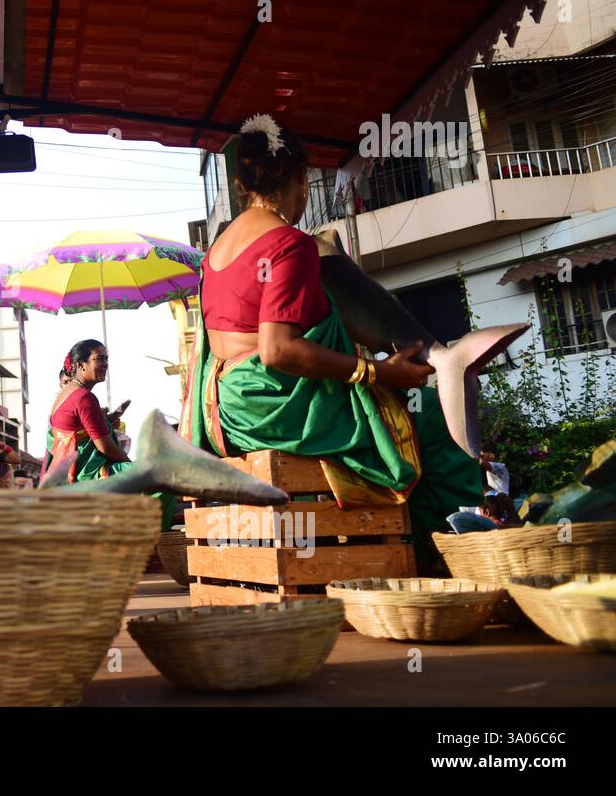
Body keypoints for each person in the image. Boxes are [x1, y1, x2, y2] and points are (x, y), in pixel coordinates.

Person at [180, 114, 482, 563]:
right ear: (300, 178)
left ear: (243, 183)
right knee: (431, 429)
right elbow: (278, 349)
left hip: (226, 409)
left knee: (394, 419)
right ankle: (419, 559)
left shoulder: (216, 251)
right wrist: (378, 371)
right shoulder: (288, 244)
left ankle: (359, 547)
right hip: (273, 405)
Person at [46, 339, 174, 528]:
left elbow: (81, 434)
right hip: (90, 475)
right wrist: (130, 465)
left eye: (107, 359)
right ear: (81, 365)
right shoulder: (83, 397)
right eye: (99, 359)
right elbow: (105, 447)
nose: (105, 364)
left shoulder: (68, 394)